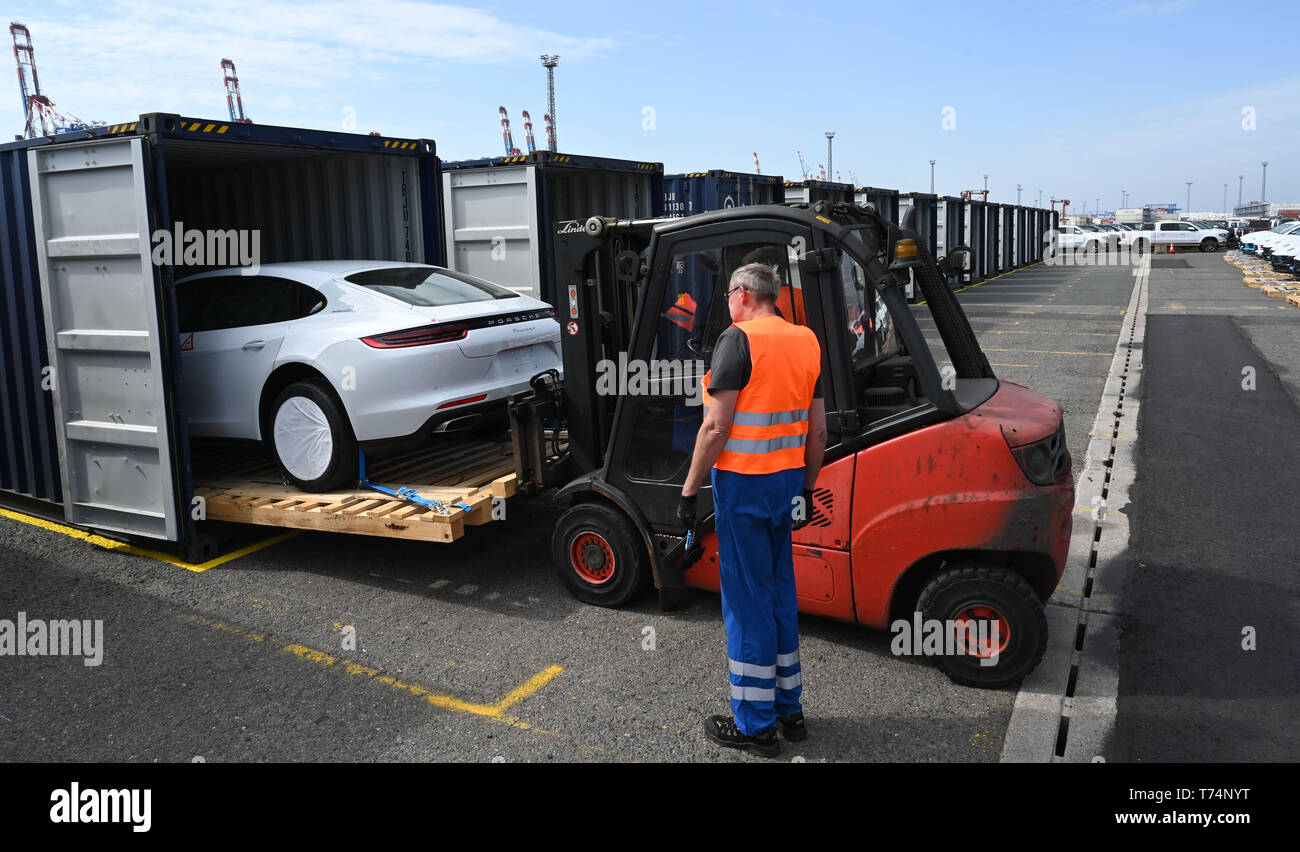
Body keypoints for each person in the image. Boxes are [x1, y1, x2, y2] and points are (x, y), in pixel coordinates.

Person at [677, 262, 827, 758]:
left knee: (746, 602)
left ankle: (755, 726)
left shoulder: (737, 341)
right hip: (787, 485)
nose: (727, 305)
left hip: (743, 487)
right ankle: (791, 711)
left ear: (742, 294)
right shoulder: (806, 340)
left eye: (727, 297)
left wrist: (689, 489)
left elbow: (715, 429)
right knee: (780, 592)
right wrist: (806, 488)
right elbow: (818, 431)